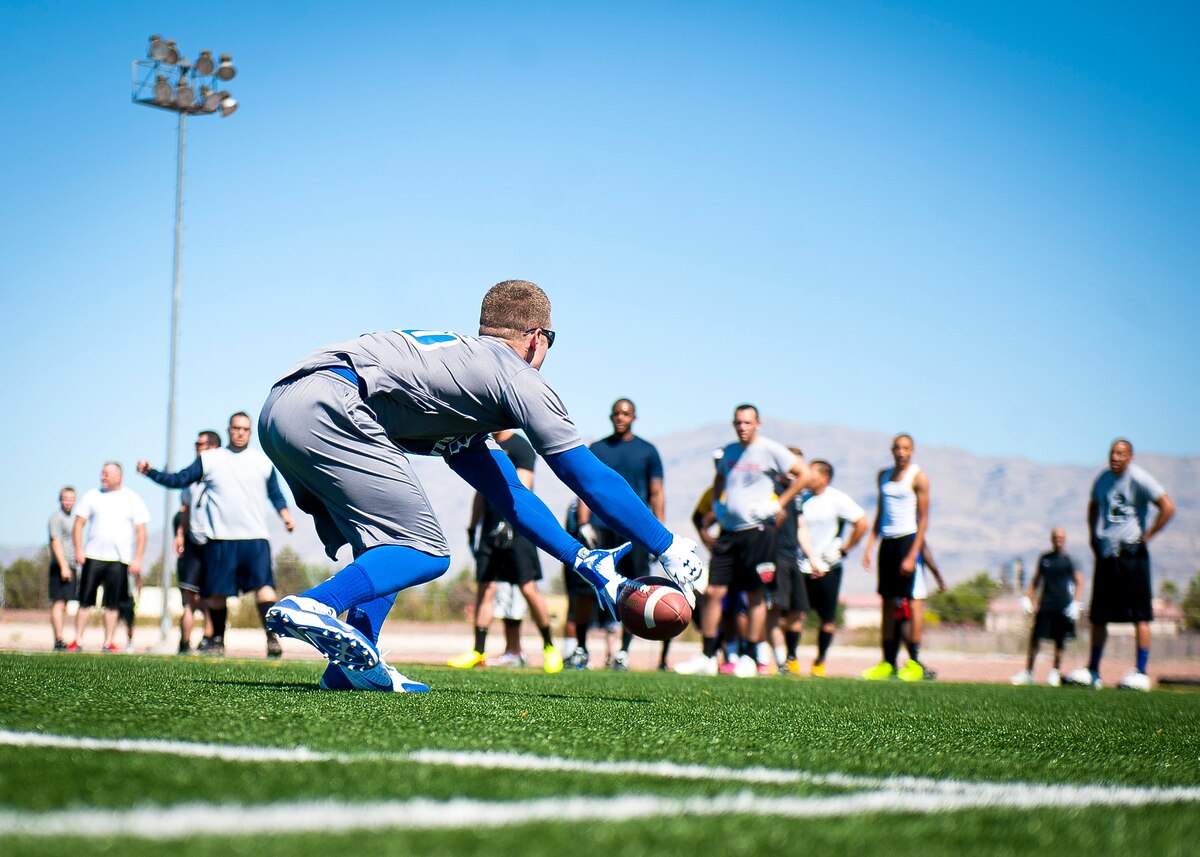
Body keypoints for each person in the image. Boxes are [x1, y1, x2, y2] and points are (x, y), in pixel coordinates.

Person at [256, 280, 705, 693]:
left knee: (388, 547)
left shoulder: (460, 375)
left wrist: (582, 559)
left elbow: (510, 496)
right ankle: (315, 604)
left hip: (281, 407)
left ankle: (350, 669)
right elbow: (584, 475)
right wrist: (666, 544)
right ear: (538, 337)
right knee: (425, 549)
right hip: (335, 403)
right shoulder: (514, 374)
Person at [138, 412, 296, 658]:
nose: (240, 432)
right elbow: (179, 479)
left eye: (245, 429)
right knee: (216, 594)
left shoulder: (262, 461)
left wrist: (285, 515)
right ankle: (217, 641)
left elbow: (275, 494)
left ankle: (272, 638)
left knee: (265, 589)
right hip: (220, 538)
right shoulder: (210, 459)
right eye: (236, 428)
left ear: (250, 432)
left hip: (255, 538)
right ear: (228, 430)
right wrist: (151, 472)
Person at [676, 404, 807, 678]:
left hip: (758, 532)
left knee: (755, 595)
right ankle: (708, 655)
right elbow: (720, 477)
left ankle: (749, 655)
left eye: (747, 423)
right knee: (713, 592)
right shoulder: (729, 452)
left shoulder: (771, 450)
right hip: (729, 533)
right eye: (738, 423)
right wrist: (718, 505)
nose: (742, 427)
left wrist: (777, 504)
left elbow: (805, 475)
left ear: (758, 423)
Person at [449, 429, 563, 673]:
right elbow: (480, 490)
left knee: (528, 588)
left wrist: (509, 520)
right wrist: (473, 527)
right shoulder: (481, 443)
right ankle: (478, 650)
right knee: (486, 587)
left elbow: (522, 488)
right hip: (490, 531)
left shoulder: (519, 446)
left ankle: (549, 648)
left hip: (518, 529)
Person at [1067, 439, 1175, 691]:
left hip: (1132, 555)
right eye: (1112, 453)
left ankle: (1141, 672)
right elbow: (1094, 505)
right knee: (1099, 615)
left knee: (1140, 615)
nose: (1114, 457)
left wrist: (1147, 536)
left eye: (1120, 453)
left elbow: (1168, 507)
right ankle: (1093, 670)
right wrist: (1093, 535)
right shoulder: (1103, 479)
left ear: (1130, 457)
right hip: (1107, 554)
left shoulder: (1140, 479)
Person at [575, 398, 667, 671]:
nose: (620, 418)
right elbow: (584, 484)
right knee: (586, 587)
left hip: (634, 530)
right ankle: (580, 648)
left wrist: (658, 536)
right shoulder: (598, 448)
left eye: (625, 414)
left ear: (634, 417)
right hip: (600, 527)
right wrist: (583, 523)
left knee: (634, 590)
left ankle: (623, 652)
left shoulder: (648, 451)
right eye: (616, 413)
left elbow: (657, 493)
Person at [861, 434, 930, 681]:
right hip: (887, 543)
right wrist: (870, 546)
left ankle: (914, 662)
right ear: (892, 451)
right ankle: (888, 662)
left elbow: (923, 520)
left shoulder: (919, 477)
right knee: (888, 602)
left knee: (912, 602)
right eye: (897, 448)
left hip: (908, 540)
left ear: (913, 450)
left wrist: (913, 554)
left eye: (906, 448)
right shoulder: (883, 476)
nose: (901, 452)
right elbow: (880, 513)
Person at [797, 459, 868, 676]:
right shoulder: (802, 499)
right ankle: (790, 659)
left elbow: (862, 523)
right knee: (795, 614)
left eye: (812, 474)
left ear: (825, 477)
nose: (808, 477)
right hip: (803, 565)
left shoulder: (837, 499)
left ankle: (820, 660)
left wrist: (844, 550)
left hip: (829, 567)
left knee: (827, 617)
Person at [69, 463, 149, 653]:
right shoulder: (92, 496)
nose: (102, 477)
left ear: (118, 477)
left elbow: (141, 531)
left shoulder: (132, 499)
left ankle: (108, 642)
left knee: (112, 604)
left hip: (119, 560)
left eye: (107, 474)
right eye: (102, 473)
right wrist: (79, 550)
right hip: (93, 557)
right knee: (85, 601)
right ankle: (78, 640)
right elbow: (79, 523)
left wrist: (137, 558)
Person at [767, 447, 824, 675]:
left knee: (797, 612)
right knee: (776, 609)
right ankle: (780, 662)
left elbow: (801, 528)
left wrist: (813, 559)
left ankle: (760, 636)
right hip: (776, 557)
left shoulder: (796, 495)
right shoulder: (772, 489)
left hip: (794, 558)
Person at [1013, 528, 1083, 687]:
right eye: (1056, 537)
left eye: (1061, 537)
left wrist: (1076, 603)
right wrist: (1027, 597)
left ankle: (1055, 672)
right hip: (1046, 603)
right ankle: (1029, 672)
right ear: (1052, 539)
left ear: (1065, 539)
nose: (1058, 540)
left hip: (1063, 604)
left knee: (1060, 640)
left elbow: (1080, 581)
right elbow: (1036, 580)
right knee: (1035, 637)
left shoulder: (1070, 560)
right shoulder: (1045, 559)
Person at [174, 430, 222, 654]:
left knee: (211, 594)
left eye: (200, 444)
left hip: (215, 540)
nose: (196, 448)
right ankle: (184, 642)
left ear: (213, 447)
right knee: (188, 595)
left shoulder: (223, 473)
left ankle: (209, 637)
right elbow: (185, 509)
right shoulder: (191, 477)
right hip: (193, 542)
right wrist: (180, 535)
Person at [48, 486, 77, 651]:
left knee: (65, 603)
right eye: (65, 498)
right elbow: (55, 542)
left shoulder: (74, 518)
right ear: (60, 499)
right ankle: (58, 640)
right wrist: (63, 566)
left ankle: (61, 638)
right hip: (60, 566)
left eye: (71, 498)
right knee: (58, 602)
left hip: (71, 565)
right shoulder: (56, 518)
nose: (68, 501)